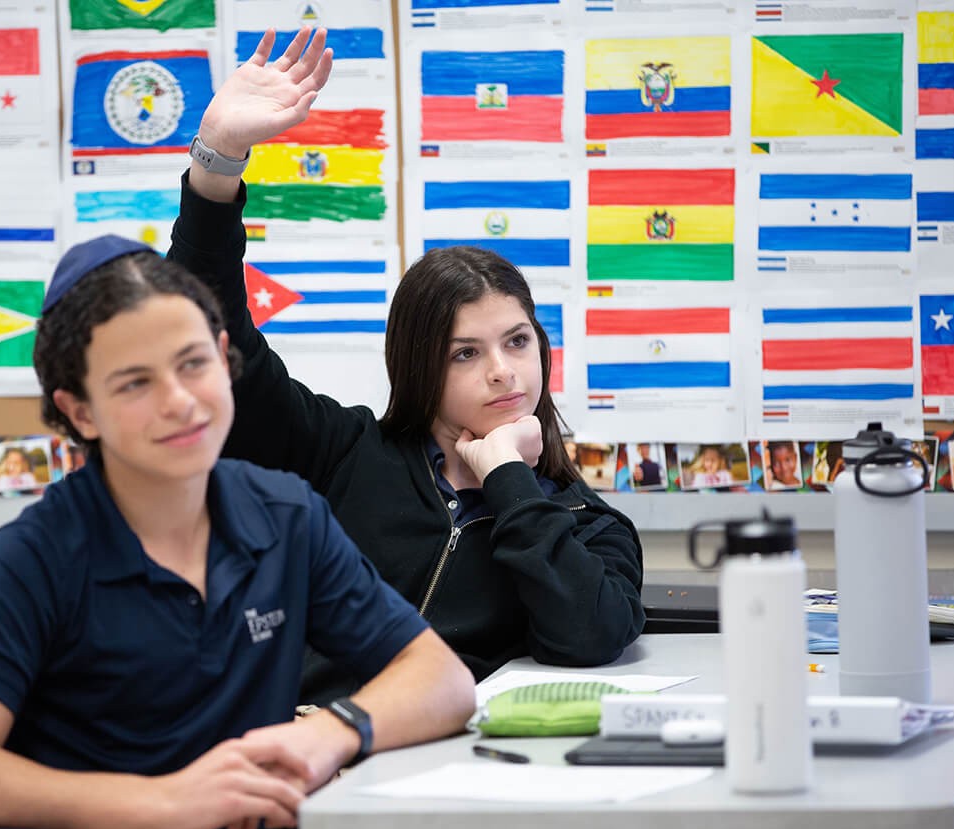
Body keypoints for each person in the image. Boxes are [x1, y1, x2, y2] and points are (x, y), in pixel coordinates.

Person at [0, 233, 569, 829]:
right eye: (134, 384)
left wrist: (332, 733)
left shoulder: (283, 515)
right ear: (79, 411)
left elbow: (440, 680)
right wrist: (168, 803)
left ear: (222, 357)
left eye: (192, 364)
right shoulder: (37, 556)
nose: (180, 400)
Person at [170, 27, 645, 709]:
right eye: (466, 353)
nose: (504, 373)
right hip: (295, 756)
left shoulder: (581, 523)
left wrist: (510, 480)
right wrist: (217, 162)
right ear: (419, 366)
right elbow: (213, 336)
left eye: (517, 342)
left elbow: (591, 635)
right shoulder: (342, 451)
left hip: (443, 780)